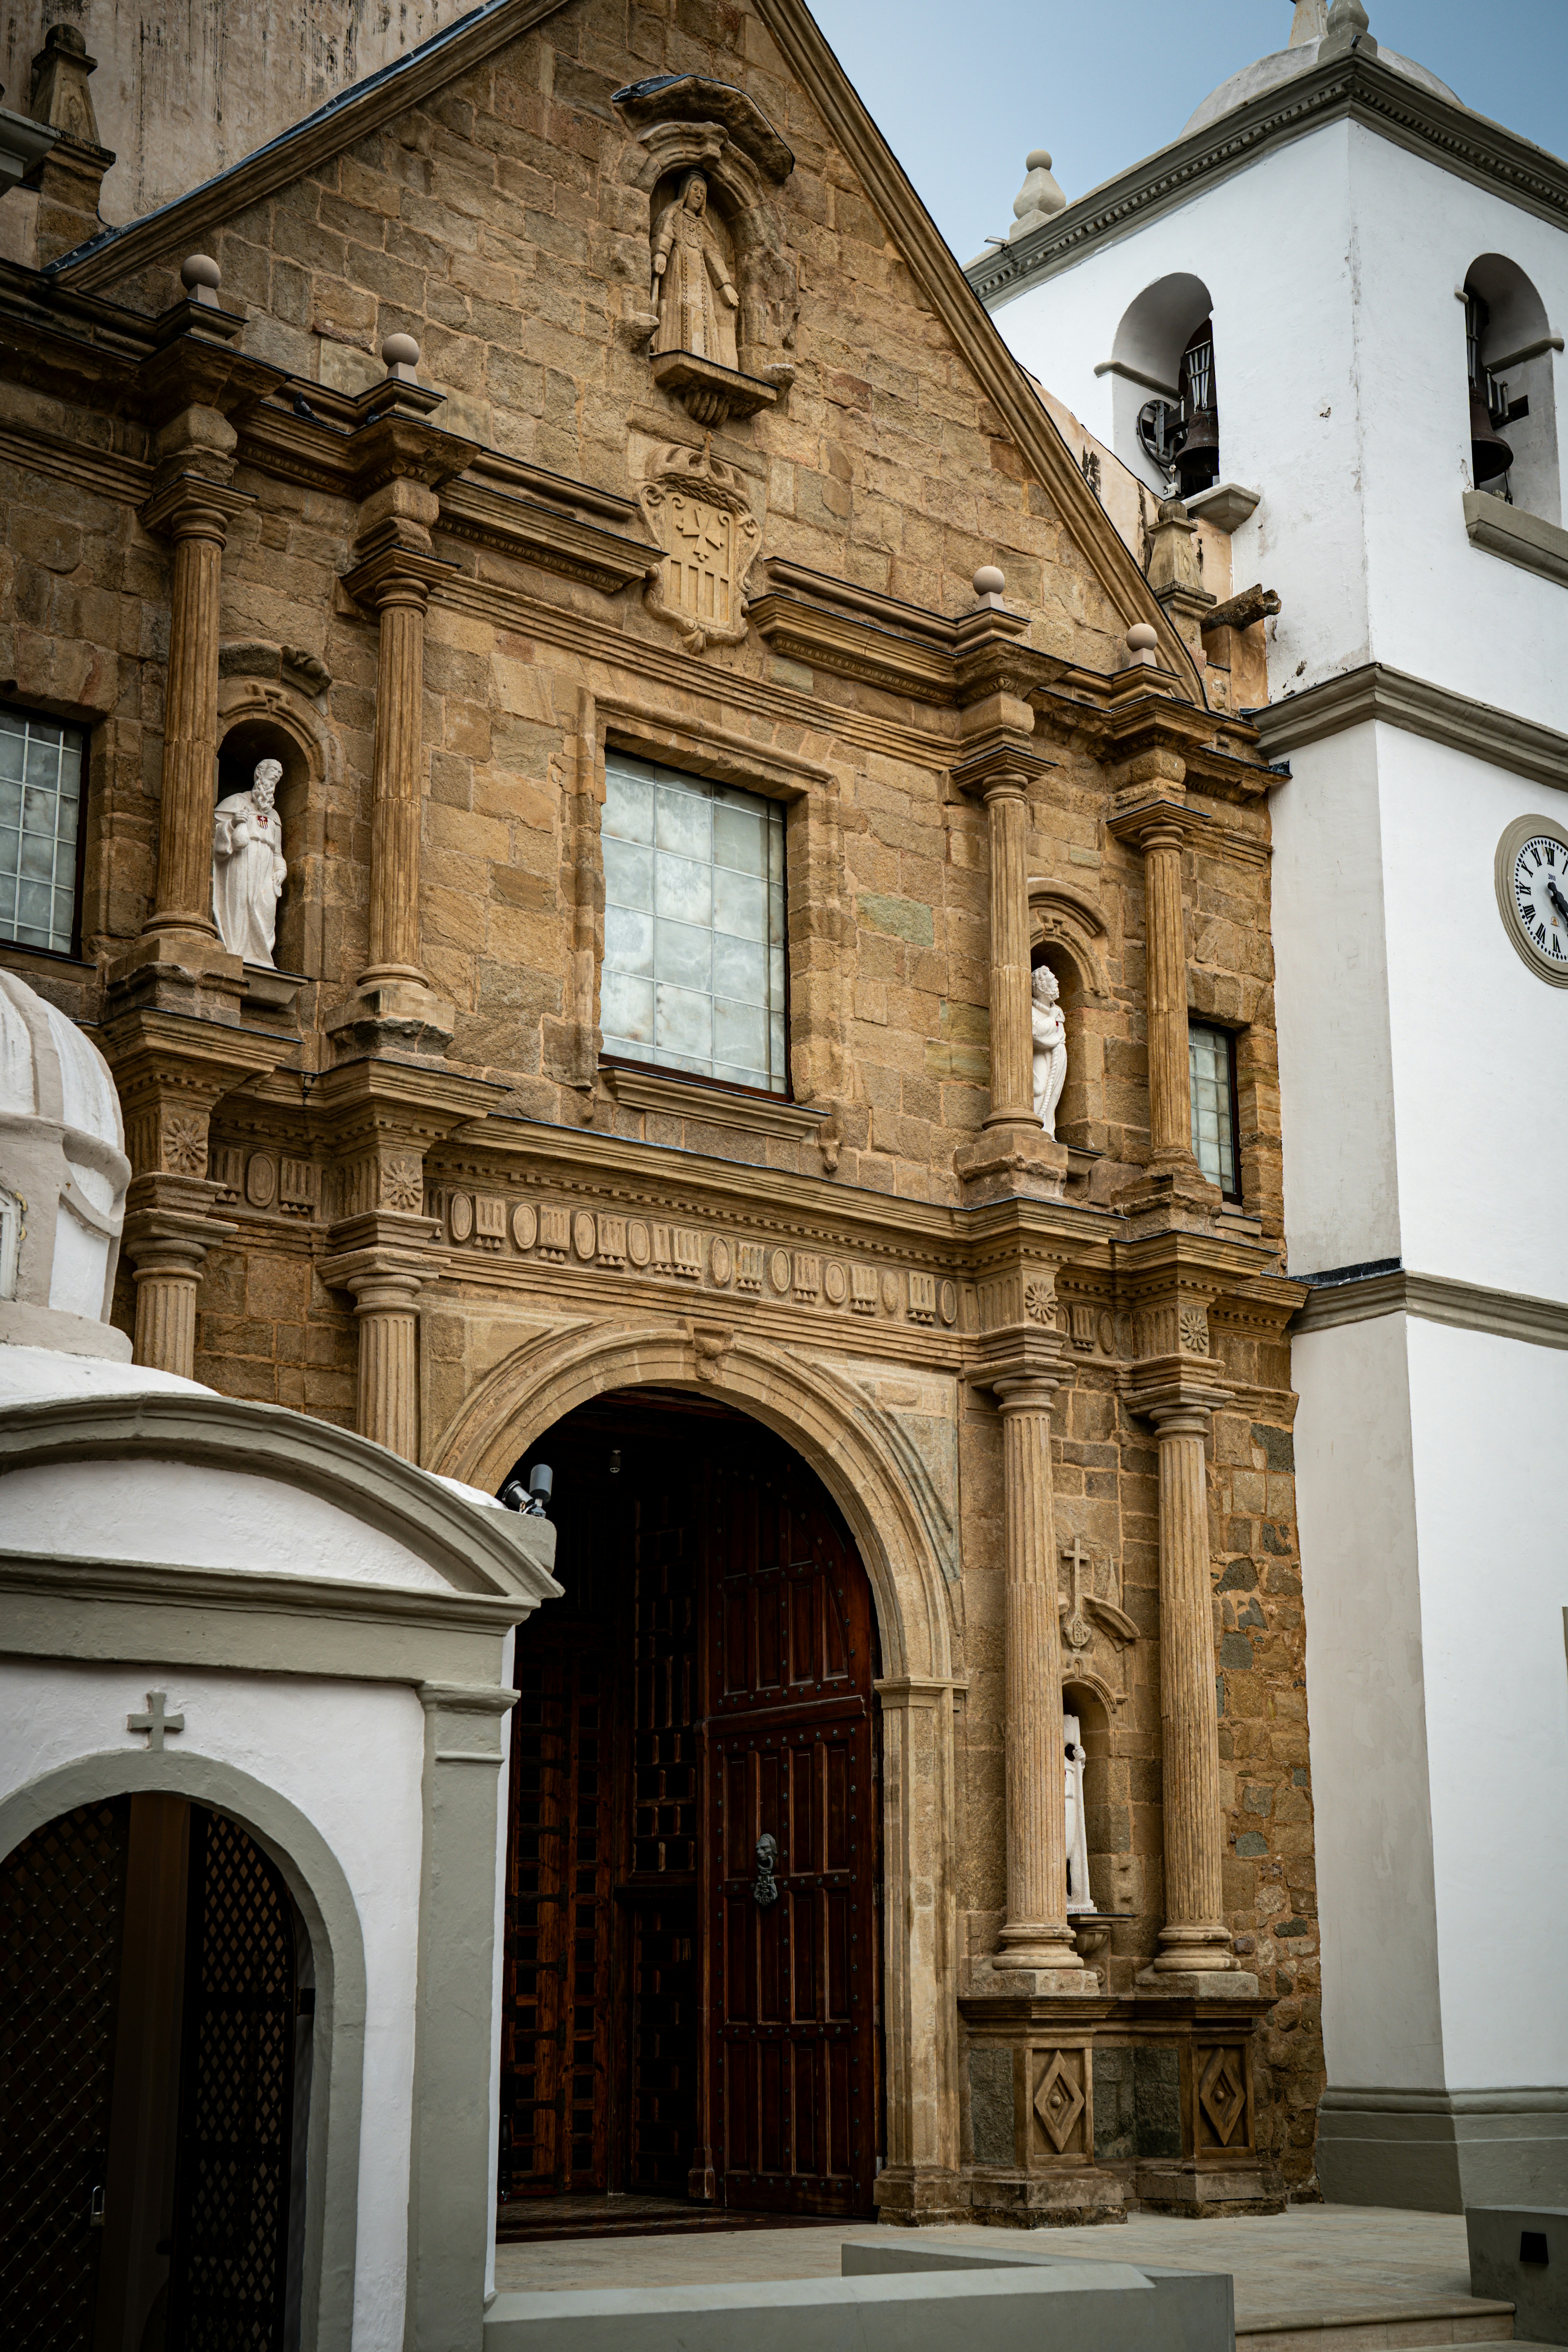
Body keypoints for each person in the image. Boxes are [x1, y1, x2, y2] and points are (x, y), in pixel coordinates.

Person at [651, 172, 740, 370]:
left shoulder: (703, 225)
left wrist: (725, 286)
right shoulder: (673, 213)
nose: (699, 195)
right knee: (676, 309)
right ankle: (671, 347)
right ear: (686, 191)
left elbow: (713, 256)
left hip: (700, 278)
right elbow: (664, 234)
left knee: (703, 317)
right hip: (677, 269)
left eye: (703, 192)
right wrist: (661, 254)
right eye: (695, 190)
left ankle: (702, 355)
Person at [212, 756, 287, 966]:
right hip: (240, 863)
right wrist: (233, 823)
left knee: (265, 910)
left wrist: (281, 870)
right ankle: (236, 951)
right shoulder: (236, 802)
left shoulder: (274, 817)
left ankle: (260, 956)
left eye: (279, 775)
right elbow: (212, 833)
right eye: (273, 771)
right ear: (259, 773)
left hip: (264, 871)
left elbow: (277, 852)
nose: (276, 776)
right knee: (239, 905)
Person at [1031, 963, 1067, 1134]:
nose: (1058, 982)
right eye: (1053, 979)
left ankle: (1049, 1132)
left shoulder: (1057, 1011)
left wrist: (1054, 1019)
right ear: (1042, 985)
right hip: (1040, 1055)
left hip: (1058, 1056)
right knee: (1039, 1090)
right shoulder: (1032, 1010)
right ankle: (1036, 1127)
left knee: (1053, 1096)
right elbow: (1035, 1033)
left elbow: (1059, 1035)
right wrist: (1051, 1020)